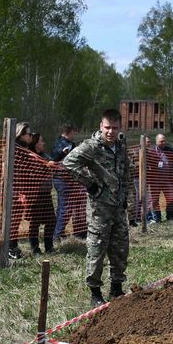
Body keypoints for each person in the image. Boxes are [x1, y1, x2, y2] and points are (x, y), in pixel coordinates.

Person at [62, 108, 132, 307]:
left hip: (118, 207)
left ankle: (117, 288)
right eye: (107, 127)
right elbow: (69, 162)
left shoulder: (120, 145)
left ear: (120, 127)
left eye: (114, 128)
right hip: (99, 208)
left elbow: (126, 170)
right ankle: (95, 292)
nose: (110, 132)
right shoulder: (92, 146)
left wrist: (127, 196)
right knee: (97, 248)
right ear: (101, 126)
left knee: (120, 248)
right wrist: (90, 184)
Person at [21, 133, 58, 254]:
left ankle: (49, 247)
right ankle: (35, 249)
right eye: (41, 141)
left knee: (51, 221)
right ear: (36, 144)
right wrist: (47, 168)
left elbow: (52, 166)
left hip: (46, 193)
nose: (44, 143)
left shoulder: (45, 155)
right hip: (34, 194)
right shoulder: (31, 157)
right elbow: (35, 174)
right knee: (34, 223)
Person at [50, 124, 83, 240]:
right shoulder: (60, 144)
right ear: (69, 131)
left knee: (66, 207)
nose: (75, 134)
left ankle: (62, 232)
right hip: (62, 179)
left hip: (70, 179)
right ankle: (58, 235)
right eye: (74, 132)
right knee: (65, 208)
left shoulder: (70, 144)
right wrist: (63, 153)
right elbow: (54, 159)